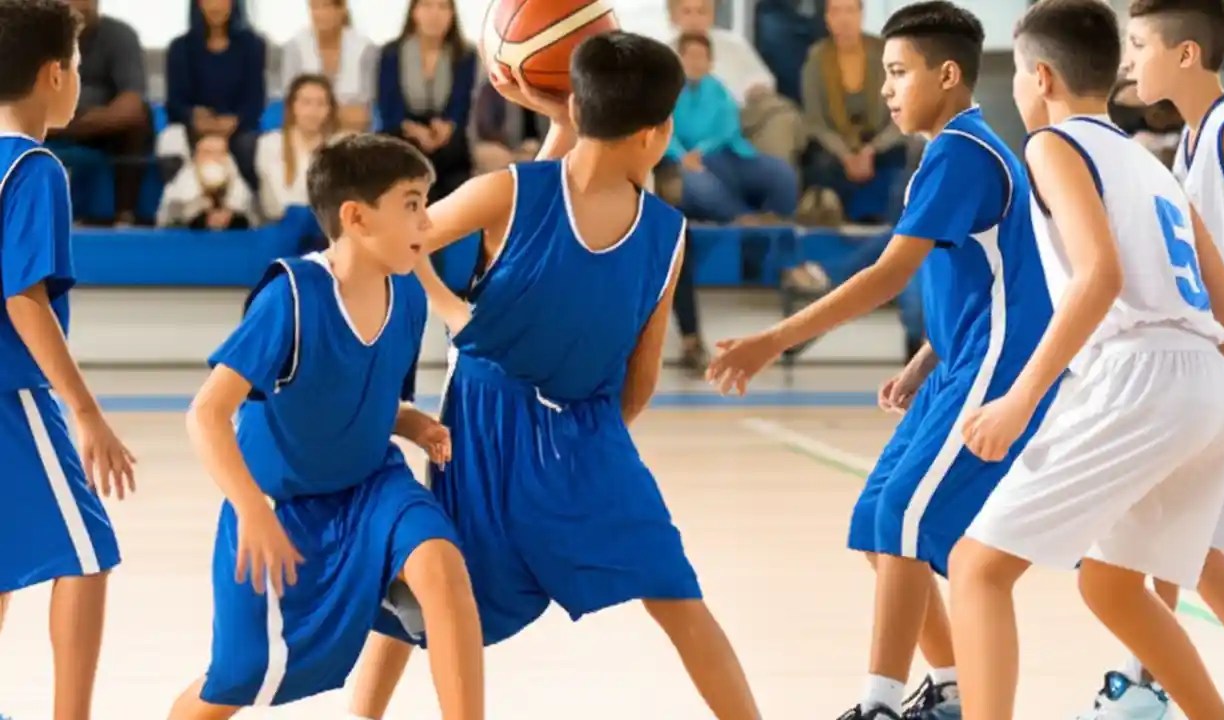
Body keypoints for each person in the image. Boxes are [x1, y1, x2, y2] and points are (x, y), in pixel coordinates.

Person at [345, 32, 763, 720]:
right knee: (677, 596)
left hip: (481, 427)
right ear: (657, 134)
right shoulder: (669, 232)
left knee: (422, 584)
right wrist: (593, 441)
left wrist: (457, 314)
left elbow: (402, 239)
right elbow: (643, 376)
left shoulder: (506, 190)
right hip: (589, 433)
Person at [705, 4, 1056, 718]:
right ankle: (954, 690)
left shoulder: (962, 149)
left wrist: (775, 340)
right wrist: (927, 356)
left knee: (901, 515)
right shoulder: (956, 149)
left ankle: (880, 704)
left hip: (996, 368)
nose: (888, 89)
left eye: (899, 73)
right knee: (876, 520)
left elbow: (890, 275)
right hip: (960, 360)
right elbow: (981, 274)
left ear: (949, 75)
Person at [945, 2, 1224, 720]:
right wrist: (1194, 404)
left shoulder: (1053, 146)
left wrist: (1022, 398)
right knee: (1111, 585)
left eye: (1019, 76)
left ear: (1042, 77)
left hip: (1141, 371)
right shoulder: (1149, 163)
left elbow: (1098, 278)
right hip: (1211, 381)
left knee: (977, 567)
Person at [166, 134, 484, 720]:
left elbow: (359, 397)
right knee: (236, 680)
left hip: (371, 487)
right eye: (412, 202)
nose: (428, 218)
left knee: (441, 567)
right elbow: (206, 415)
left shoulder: (409, 293)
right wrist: (252, 512)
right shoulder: (290, 296)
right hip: (279, 506)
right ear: (357, 217)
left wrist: (409, 422)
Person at [1075, 1, 1224, 717]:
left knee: (1164, 510)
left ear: (1186, 55)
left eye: (1137, 44)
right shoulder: (1194, 140)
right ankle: (1163, 680)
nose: (1127, 61)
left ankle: (1164, 682)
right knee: (1167, 515)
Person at [0, 2, 137, 719]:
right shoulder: (34, 165)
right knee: (88, 552)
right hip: (11, 395)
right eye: (80, 68)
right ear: (55, 74)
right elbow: (23, 297)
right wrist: (86, 413)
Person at [800, 0, 915, 225]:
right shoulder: (816, 59)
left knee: (897, 161)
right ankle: (836, 219)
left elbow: (904, 113)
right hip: (836, 148)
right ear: (826, 19)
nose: (843, 19)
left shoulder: (887, 54)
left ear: (861, 15)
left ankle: (874, 221)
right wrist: (845, 155)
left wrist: (871, 151)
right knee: (820, 164)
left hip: (880, 145)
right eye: (836, 11)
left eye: (850, 11)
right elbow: (814, 121)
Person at [667, 32, 799, 224]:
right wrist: (682, 156)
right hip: (685, 163)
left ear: (710, 63)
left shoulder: (719, 91)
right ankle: (743, 218)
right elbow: (661, 132)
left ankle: (778, 224)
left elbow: (728, 129)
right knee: (697, 184)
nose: (695, 63)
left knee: (782, 173)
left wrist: (701, 150)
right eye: (690, 56)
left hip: (727, 156)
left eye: (701, 57)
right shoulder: (665, 93)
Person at [49, 0, 151, 226]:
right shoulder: (34, 39)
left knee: (140, 121)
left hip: (101, 130)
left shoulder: (120, 35)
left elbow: (133, 103)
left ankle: (124, 217)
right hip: (46, 127)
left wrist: (78, 123)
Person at [377, 0, 477, 203]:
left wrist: (448, 126)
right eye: (427, 6)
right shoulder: (392, 52)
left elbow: (462, 102)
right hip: (403, 130)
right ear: (414, 12)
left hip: (446, 132)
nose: (435, 14)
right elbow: (388, 104)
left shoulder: (465, 54)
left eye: (442, 7)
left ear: (452, 15)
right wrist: (414, 130)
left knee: (454, 157)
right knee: (400, 153)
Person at [164, 0, 266, 189]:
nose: (216, 6)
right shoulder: (179, 48)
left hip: (238, 129)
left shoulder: (253, 46)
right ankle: (181, 207)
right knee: (170, 141)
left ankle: (245, 211)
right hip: (193, 128)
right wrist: (193, 116)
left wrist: (235, 121)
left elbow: (255, 101)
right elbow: (174, 102)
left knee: (248, 145)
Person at [280, 0, 378, 133]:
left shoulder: (364, 48)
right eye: (314, 7)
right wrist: (342, 113)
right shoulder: (295, 47)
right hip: (305, 137)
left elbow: (361, 116)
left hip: (352, 137)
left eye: (326, 6)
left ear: (342, 9)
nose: (320, 14)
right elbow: (292, 111)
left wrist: (313, 112)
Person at [255, 74, 339, 224]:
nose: (313, 111)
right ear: (292, 106)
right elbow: (278, 204)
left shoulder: (338, 146)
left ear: (330, 109)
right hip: (282, 227)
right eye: (306, 103)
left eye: (321, 104)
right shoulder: (270, 144)